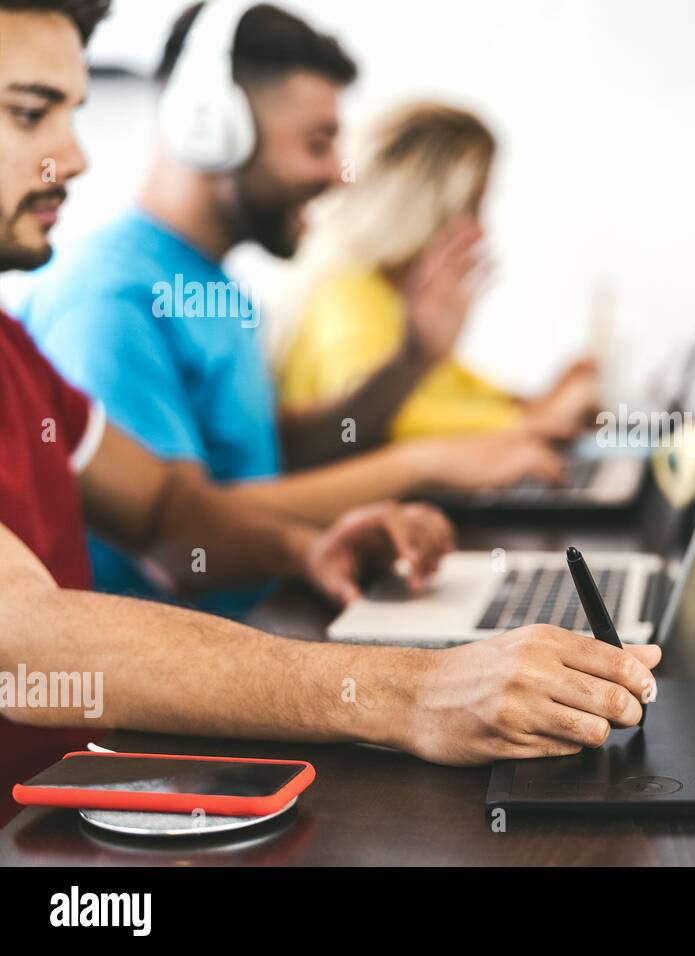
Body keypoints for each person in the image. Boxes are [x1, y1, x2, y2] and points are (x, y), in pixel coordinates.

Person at [0, 0, 660, 827]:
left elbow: (173, 511)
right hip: (63, 814)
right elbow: (21, 636)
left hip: (92, 791)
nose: (76, 158)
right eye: (30, 112)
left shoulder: (14, 352)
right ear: (213, 127)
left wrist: (307, 545)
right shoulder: (105, 292)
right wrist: (416, 690)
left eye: (73, 113)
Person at [17, 1, 564, 614]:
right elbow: (180, 533)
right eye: (317, 143)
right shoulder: (108, 299)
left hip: (264, 621)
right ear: (211, 127)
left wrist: (411, 363)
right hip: (181, 680)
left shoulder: (213, 284)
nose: (339, 174)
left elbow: (264, 460)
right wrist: (420, 463)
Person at [277, 101, 602, 444]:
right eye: (471, 207)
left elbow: (452, 390)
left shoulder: (386, 298)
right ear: (418, 207)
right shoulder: (346, 297)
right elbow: (379, 421)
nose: (481, 232)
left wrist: (538, 404)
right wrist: (535, 421)